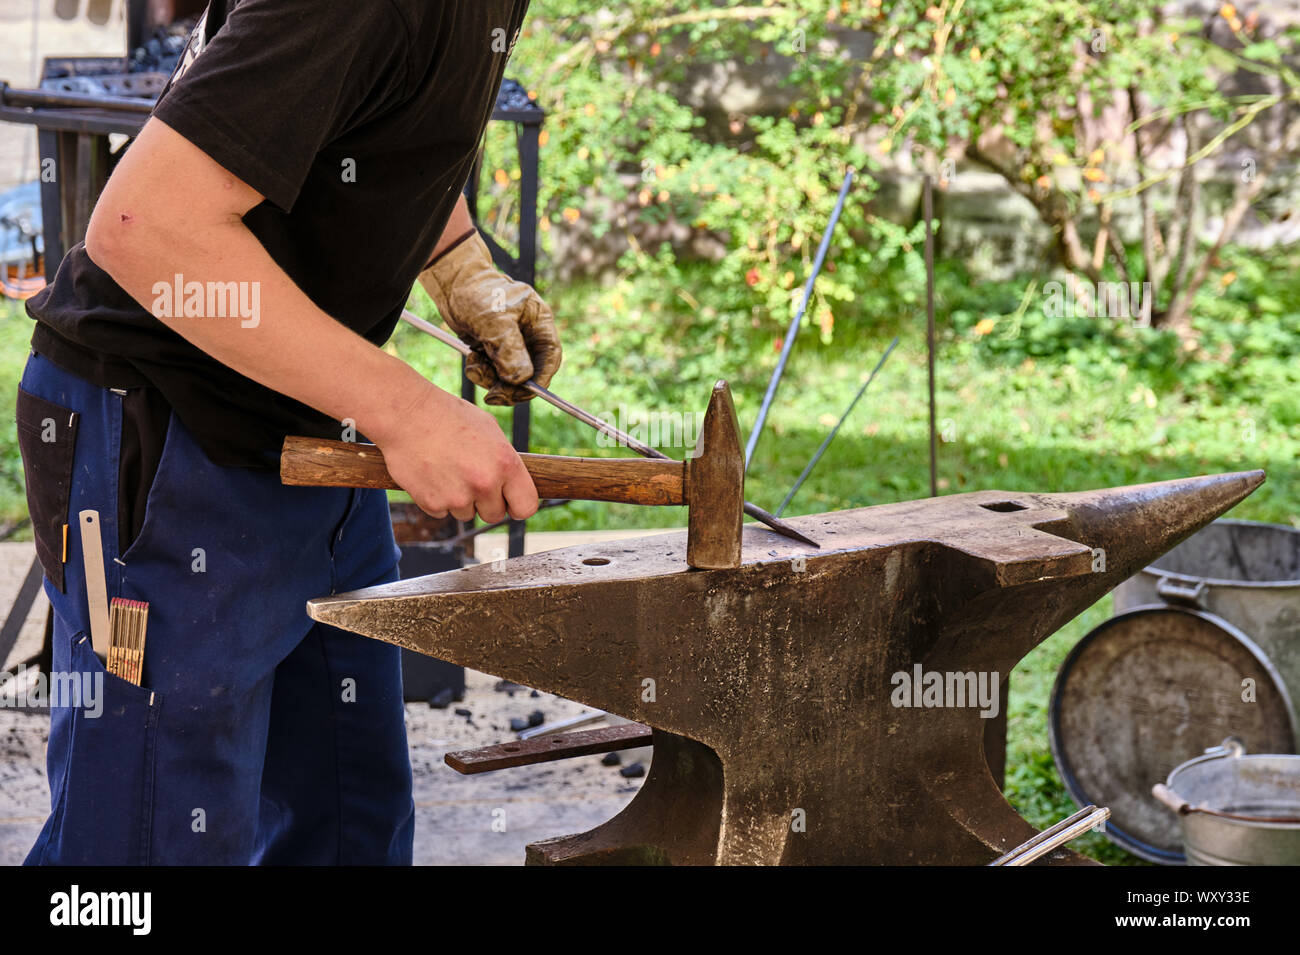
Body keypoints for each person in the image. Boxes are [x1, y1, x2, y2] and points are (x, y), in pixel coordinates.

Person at [14, 0, 559, 864]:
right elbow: (142, 230)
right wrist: (411, 411)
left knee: (347, 825)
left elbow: (362, 116)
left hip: (316, 442)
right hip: (160, 441)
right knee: (146, 851)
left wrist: (459, 261)